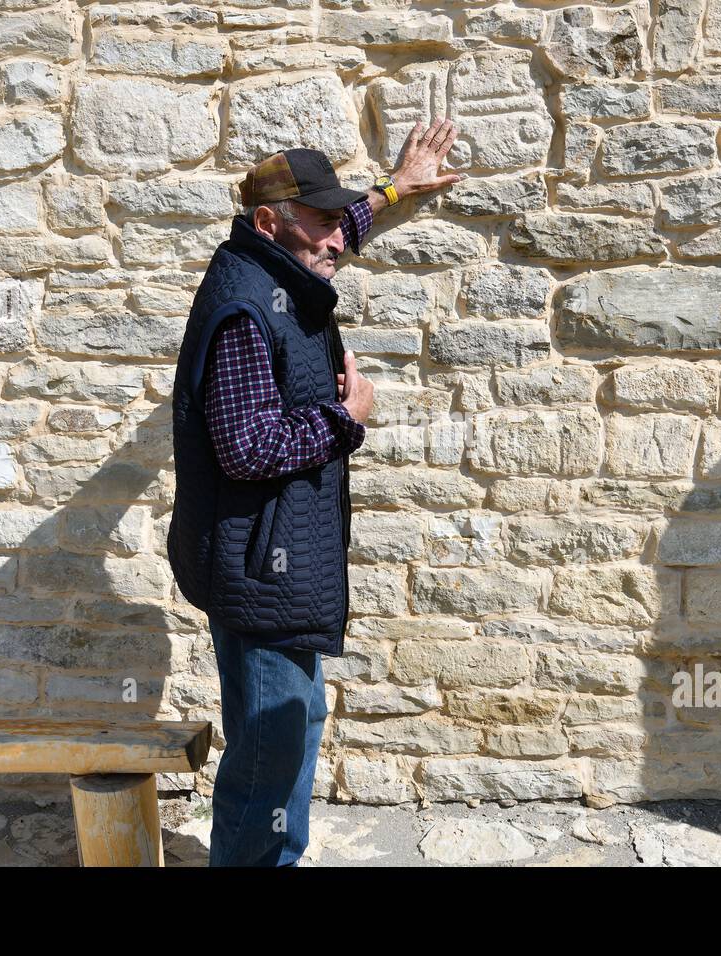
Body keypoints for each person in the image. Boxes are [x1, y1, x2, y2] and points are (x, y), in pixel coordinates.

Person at [167, 119, 463, 866]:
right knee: (269, 760)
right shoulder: (243, 309)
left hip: (281, 562)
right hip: (262, 568)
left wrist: (395, 189)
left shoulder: (276, 265)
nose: (338, 239)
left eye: (341, 222)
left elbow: (330, 227)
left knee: (293, 732)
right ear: (269, 223)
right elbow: (246, 448)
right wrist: (344, 419)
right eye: (323, 223)